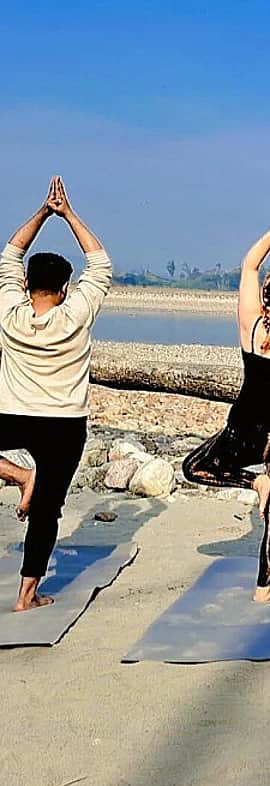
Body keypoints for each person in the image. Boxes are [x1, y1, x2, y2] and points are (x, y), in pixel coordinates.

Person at [182, 197, 270, 603]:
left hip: (247, 429)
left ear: (266, 295)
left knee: (194, 467)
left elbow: (247, 266)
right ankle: (263, 588)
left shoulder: (252, 325)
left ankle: (253, 481)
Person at [0, 177, 112, 612]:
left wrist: (43, 212)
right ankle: (27, 595)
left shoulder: (10, 313)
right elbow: (99, 262)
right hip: (64, 424)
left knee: (45, 505)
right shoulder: (76, 314)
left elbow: (10, 253)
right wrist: (67, 213)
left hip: (11, 413)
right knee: (47, 510)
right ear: (65, 288)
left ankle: (16, 474)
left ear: (27, 284)